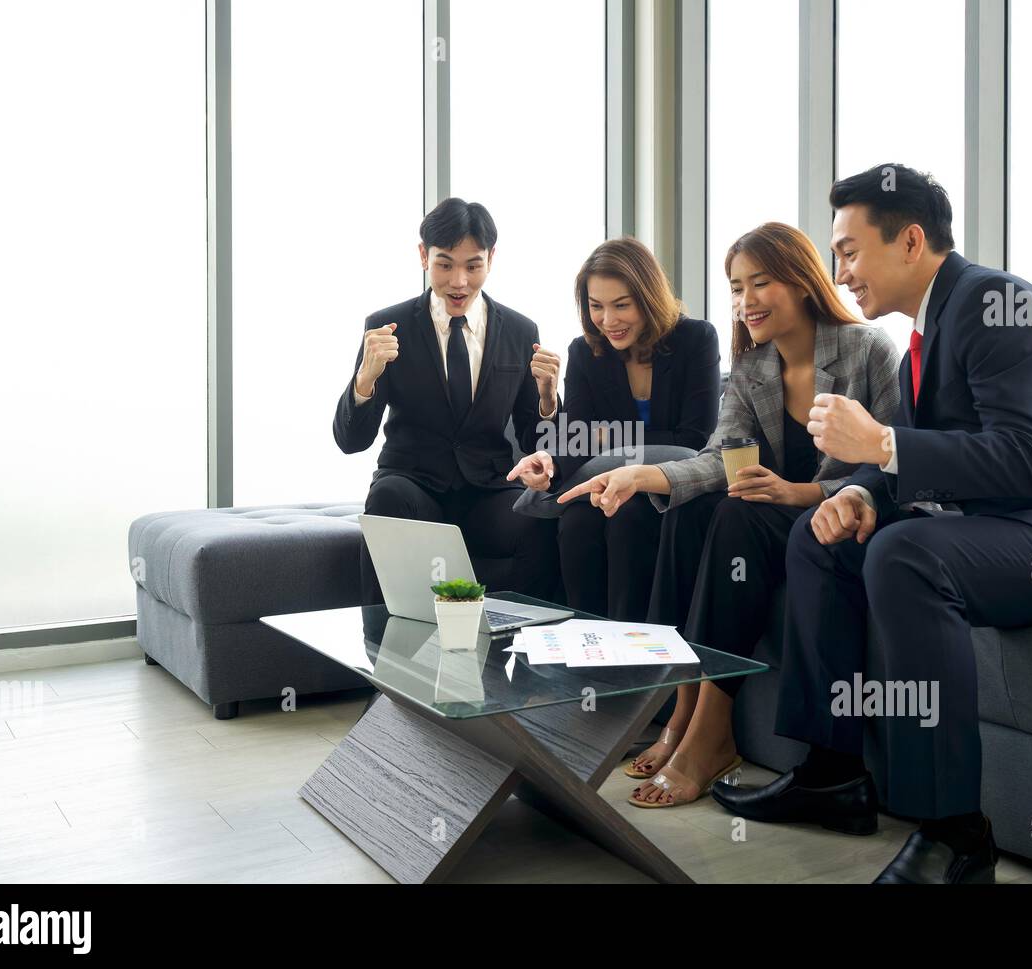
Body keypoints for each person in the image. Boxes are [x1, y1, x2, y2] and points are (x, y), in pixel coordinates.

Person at [712, 164, 1032, 884]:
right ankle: (833, 773)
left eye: (847, 250)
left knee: (906, 556)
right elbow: (910, 457)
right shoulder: (920, 340)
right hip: (1028, 530)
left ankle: (956, 835)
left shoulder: (996, 303)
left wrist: (877, 446)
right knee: (822, 538)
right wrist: (862, 494)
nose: (838, 272)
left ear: (908, 241)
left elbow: (1027, 460)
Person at [559, 222, 901, 807]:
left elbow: (897, 464)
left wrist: (805, 493)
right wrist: (643, 476)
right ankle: (681, 709)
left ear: (801, 282)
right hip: (777, 519)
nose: (745, 302)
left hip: (846, 518)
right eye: (736, 288)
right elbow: (719, 458)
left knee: (736, 516)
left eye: (759, 284)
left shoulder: (868, 350)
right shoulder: (753, 369)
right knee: (692, 511)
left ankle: (709, 736)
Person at [333, 197, 562, 605]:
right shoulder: (389, 326)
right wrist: (365, 378)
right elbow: (351, 441)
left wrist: (547, 399)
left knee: (537, 518)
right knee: (385, 500)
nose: (459, 281)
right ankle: (379, 650)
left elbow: (534, 436)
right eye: (445, 264)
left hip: (487, 491)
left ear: (492, 259)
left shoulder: (519, 330)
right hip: (413, 486)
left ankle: (523, 650)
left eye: (473, 266)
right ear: (423, 256)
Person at [507, 237, 721, 621]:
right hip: (605, 487)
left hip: (668, 488)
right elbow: (579, 435)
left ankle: (634, 653)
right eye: (596, 306)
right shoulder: (585, 352)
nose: (608, 320)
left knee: (628, 520)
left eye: (622, 305)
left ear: (649, 297)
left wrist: (611, 438)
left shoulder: (696, 339)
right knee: (576, 522)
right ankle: (582, 645)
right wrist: (550, 464)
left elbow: (694, 441)